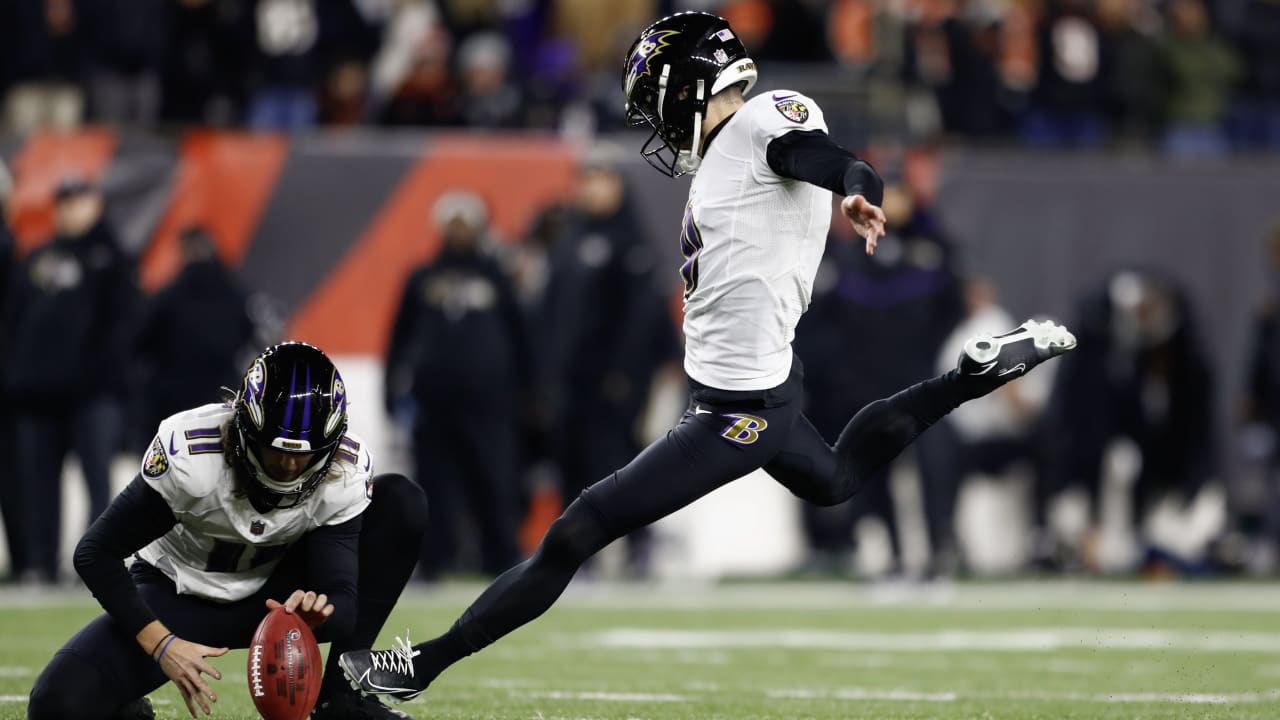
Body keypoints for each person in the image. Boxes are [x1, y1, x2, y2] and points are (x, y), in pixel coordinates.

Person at [340, 11, 1076, 706]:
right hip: (766, 389)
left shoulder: (760, 124)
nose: (657, 123)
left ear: (690, 86)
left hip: (737, 413)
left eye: (658, 102)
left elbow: (824, 157)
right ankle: (972, 375)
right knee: (837, 479)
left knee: (577, 531)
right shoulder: (727, 154)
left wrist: (856, 191)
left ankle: (419, 667)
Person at [27, 342, 428, 720]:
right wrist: (162, 644)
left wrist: (320, 613)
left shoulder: (344, 469)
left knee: (401, 502)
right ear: (245, 428)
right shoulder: (193, 454)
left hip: (276, 600)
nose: (289, 467)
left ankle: (341, 697)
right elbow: (95, 553)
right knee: (56, 705)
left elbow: (344, 602)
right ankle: (126, 706)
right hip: (180, 596)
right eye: (277, 451)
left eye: (302, 455)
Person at [384, 192, 529, 580]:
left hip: (490, 403)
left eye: (467, 223)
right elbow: (399, 338)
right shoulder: (422, 277)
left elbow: (521, 336)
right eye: (454, 223)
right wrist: (390, 391)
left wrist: (529, 393)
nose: (460, 231)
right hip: (435, 401)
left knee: (495, 480)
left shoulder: (498, 276)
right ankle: (433, 562)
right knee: (433, 486)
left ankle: (502, 560)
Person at [3, 175, 137, 584]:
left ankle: (94, 564)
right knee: (38, 483)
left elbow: (124, 327)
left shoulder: (113, 257)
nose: (68, 209)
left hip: (93, 394)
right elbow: (14, 319)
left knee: (97, 480)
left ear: (95, 204)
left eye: (77, 200)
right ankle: (41, 563)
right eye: (62, 202)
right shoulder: (39, 255)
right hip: (37, 393)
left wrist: (103, 377)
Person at [134, 226, 258, 438]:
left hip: (172, 396)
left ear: (185, 252)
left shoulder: (170, 294)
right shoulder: (237, 294)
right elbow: (250, 336)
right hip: (221, 395)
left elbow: (142, 339)